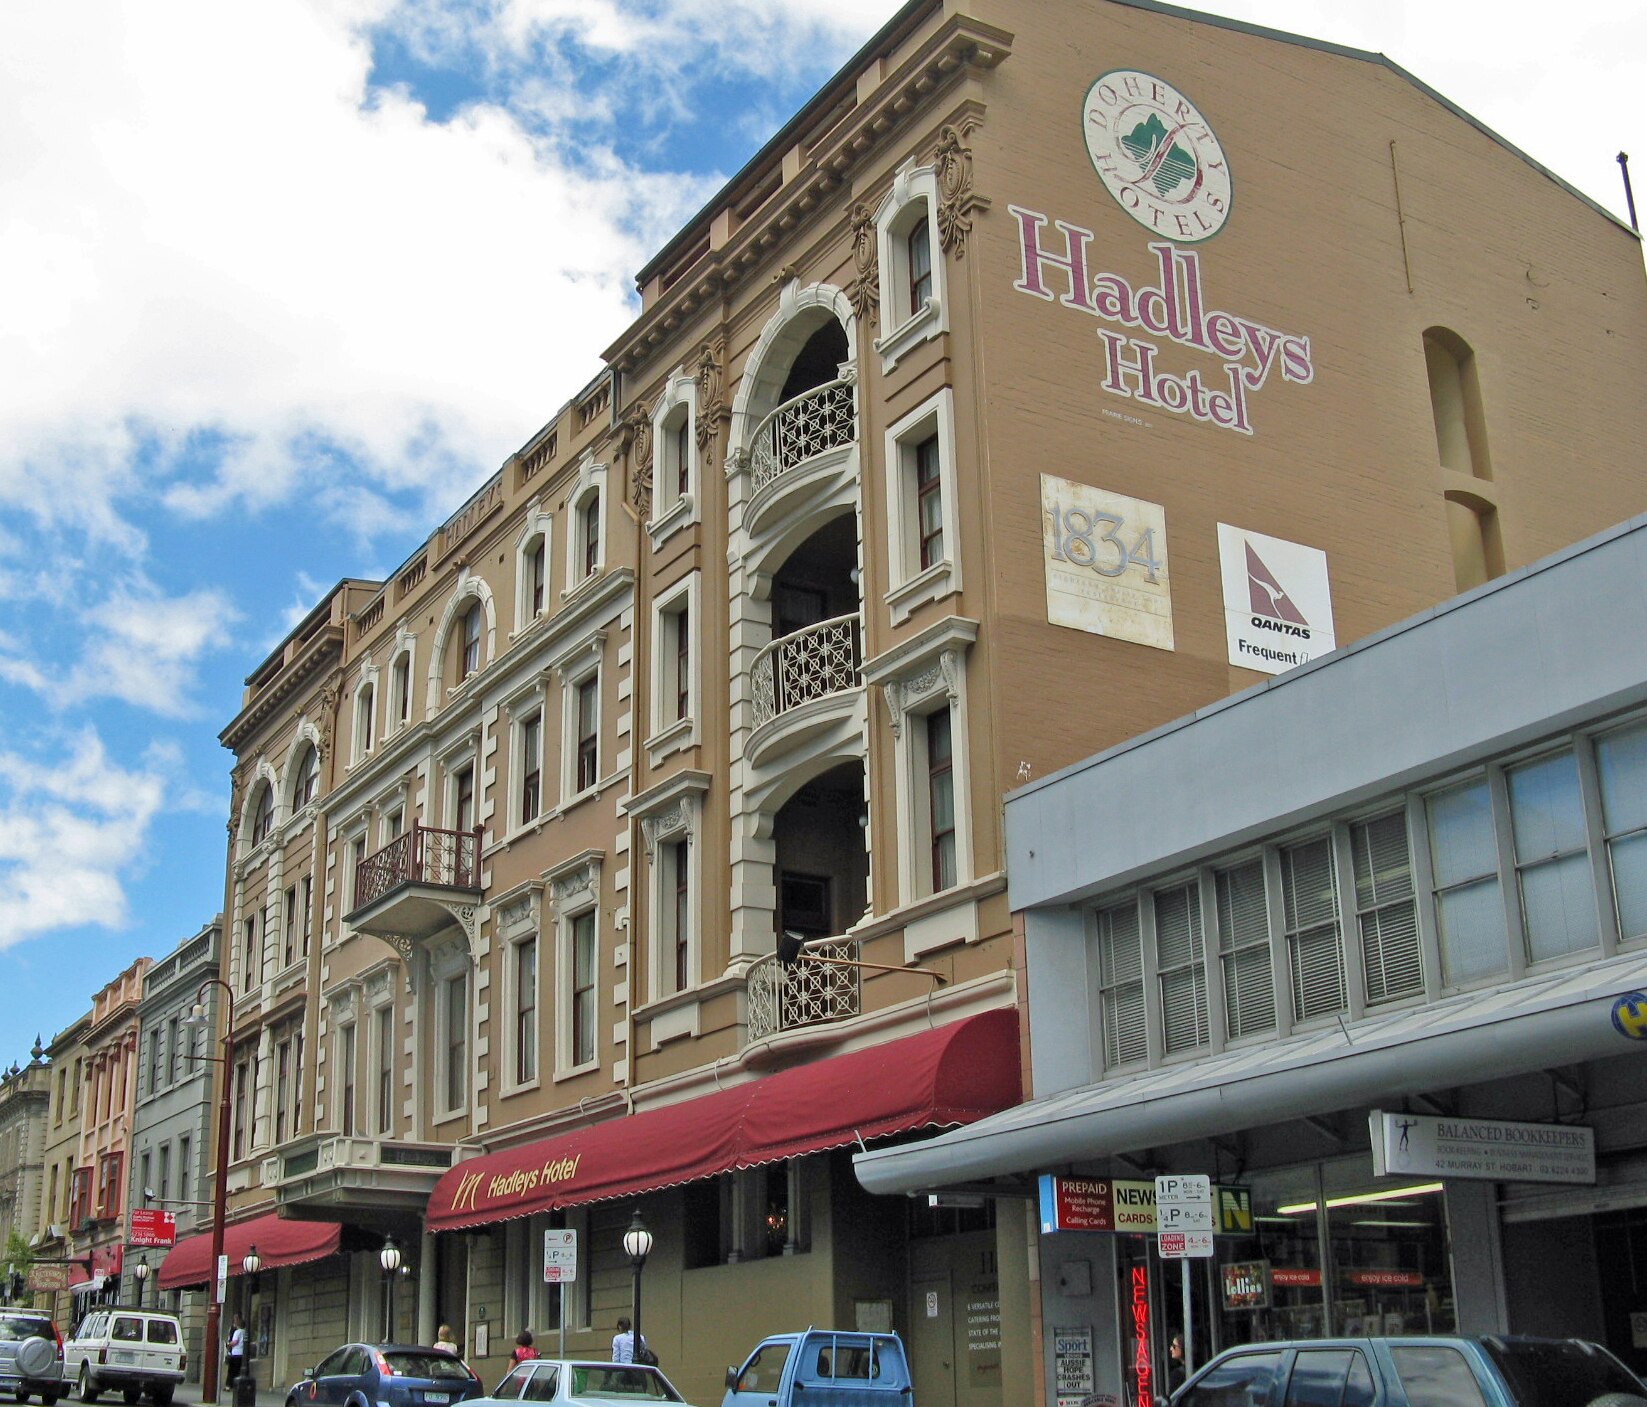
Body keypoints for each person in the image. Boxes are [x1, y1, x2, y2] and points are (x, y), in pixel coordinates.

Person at [226, 1316, 247, 1385]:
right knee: (238, 1370)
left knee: (232, 1370)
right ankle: (238, 1384)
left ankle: (229, 1385)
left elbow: (235, 1341)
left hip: (236, 1353)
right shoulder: (245, 1332)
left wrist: (228, 1344)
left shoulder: (237, 1332)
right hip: (242, 1353)